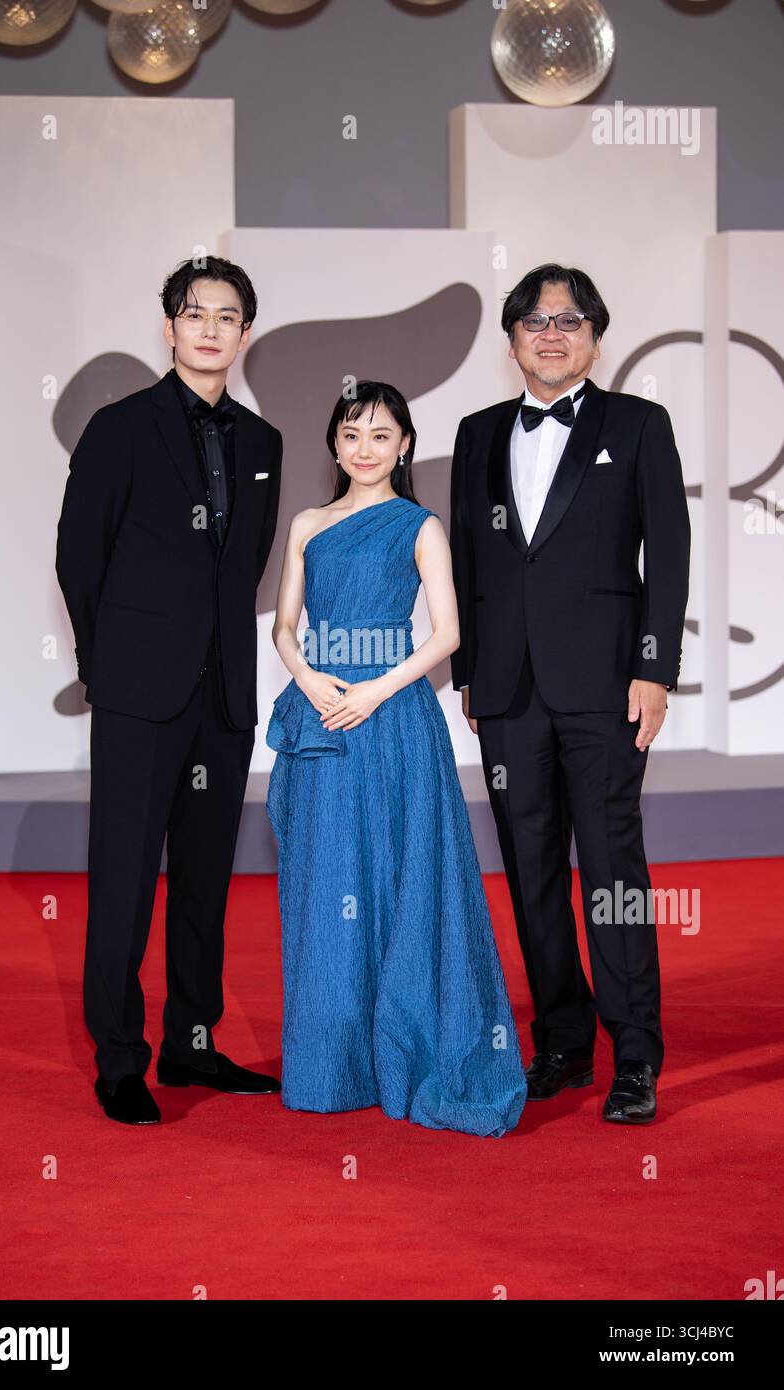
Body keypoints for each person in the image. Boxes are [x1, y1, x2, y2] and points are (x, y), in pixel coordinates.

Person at [450, 263, 691, 1124]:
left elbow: (668, 551)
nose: (552, 334)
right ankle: (560, 1035)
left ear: (595, 337)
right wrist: (471, 674)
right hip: (508, 694)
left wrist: (656, 669)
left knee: (613, 872)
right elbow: (473, 566)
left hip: (605, 689)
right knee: (530, 870)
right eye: (535, 322)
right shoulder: (478, 434)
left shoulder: (639, 425)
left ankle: (635, 1054)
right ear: (511, 339)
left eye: (570, 321)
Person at [265, 381, 527, 1138]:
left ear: (405, 445)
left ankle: (410, 1049)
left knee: (408, 877)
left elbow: (445, 635)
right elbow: (285, 625)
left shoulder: (421, 525)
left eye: (382, 436)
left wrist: (374, 692)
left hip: (394, 715)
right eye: (352, 434)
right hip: (322, 714)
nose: (366, 449)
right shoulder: (308, 524)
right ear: (334, 443)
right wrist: (312, 680)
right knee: (325, 883)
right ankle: (332, 1067)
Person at [56, 255, 283, 1124]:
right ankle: (121, 1057)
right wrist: (106, 664)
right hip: (135, 697)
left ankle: (192, 1043)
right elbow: (81, 557)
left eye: (229, 316)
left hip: (222, 696)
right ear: (169, 325)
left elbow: (244, 570)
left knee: (204, 883)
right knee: (121, 879)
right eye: (196, 313)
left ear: (245, 332)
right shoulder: (118, 429)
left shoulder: (263, 444)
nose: (211, 329)